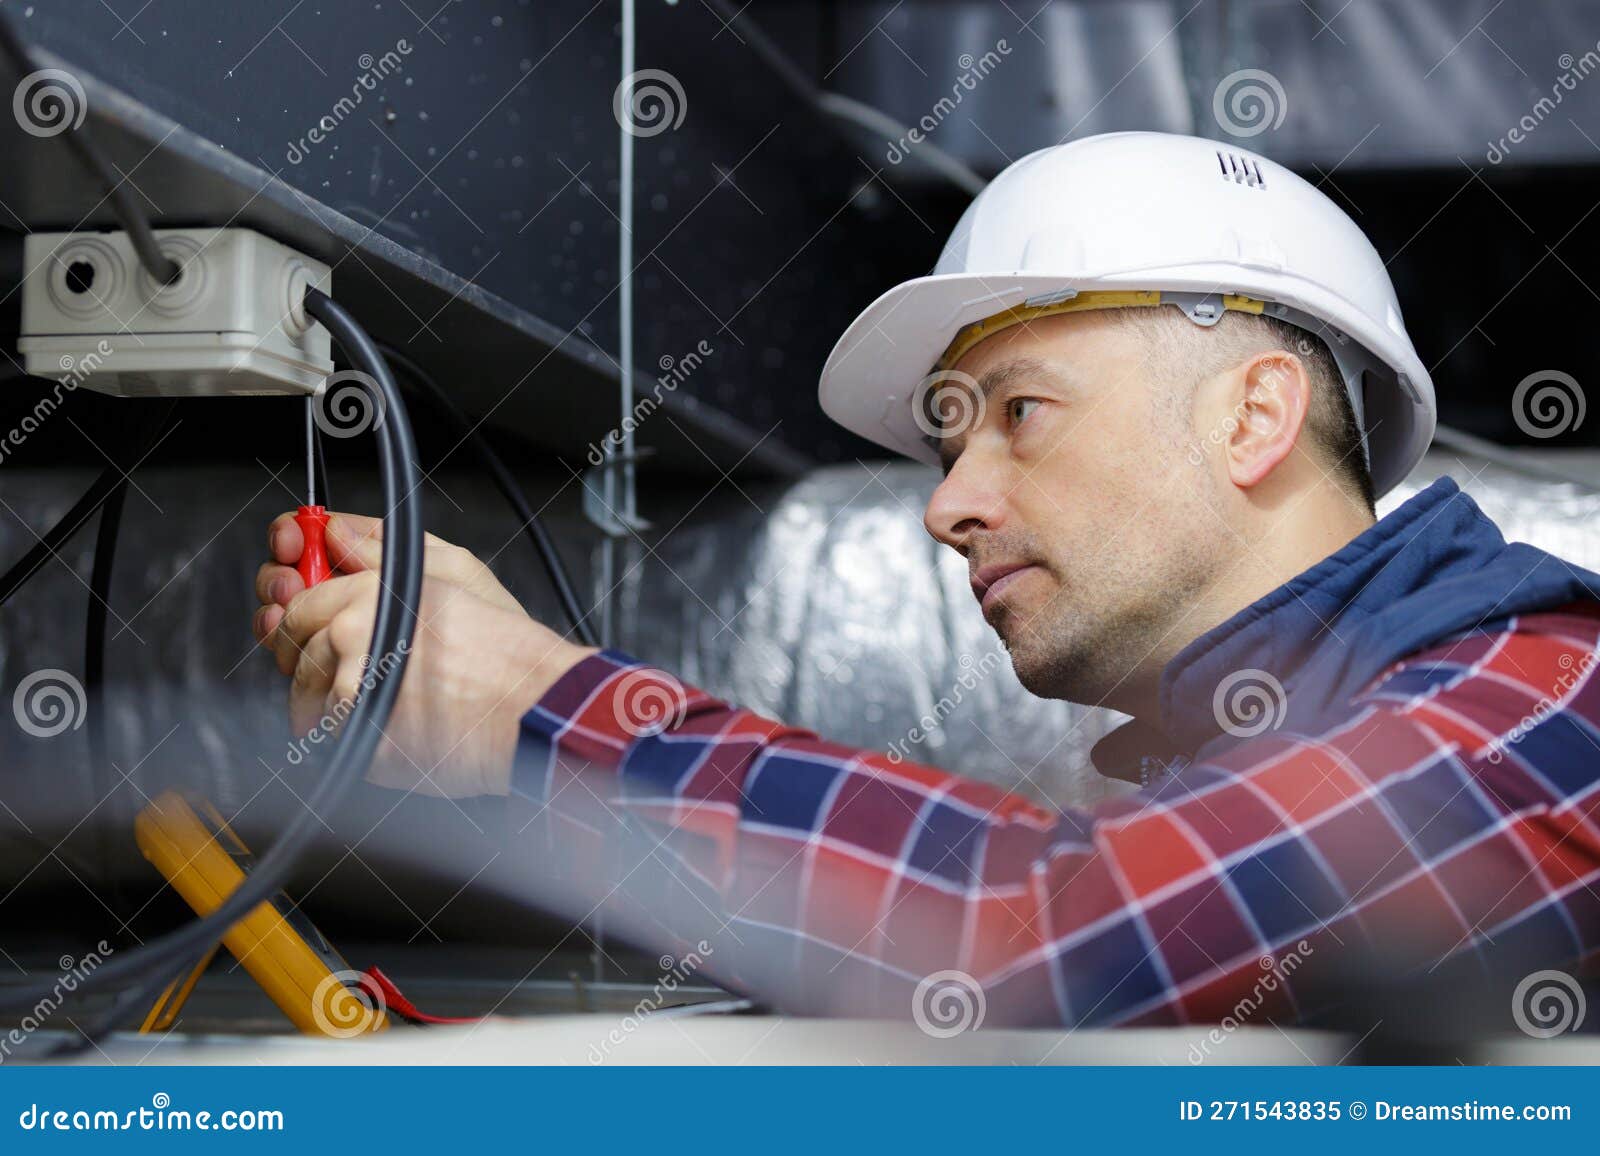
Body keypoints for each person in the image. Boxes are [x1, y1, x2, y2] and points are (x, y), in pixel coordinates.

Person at [252, 133, 1600, 1028]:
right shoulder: (1254, 768)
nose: (947, 506)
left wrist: (547, 706)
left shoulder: (1549, 708)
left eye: (1017, 411)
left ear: (1251, 417)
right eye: (949, 444)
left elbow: (1042, 938)